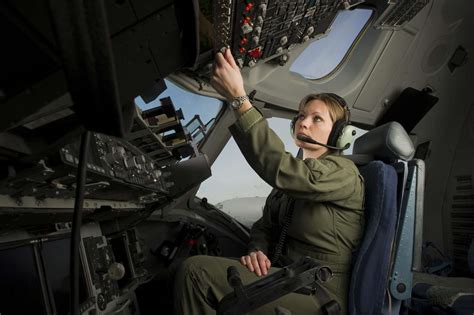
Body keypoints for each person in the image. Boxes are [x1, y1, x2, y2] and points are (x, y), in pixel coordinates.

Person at [173, 49, 365, 314]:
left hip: (321, 292)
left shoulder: (343, 173)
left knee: (196, 273)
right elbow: (265, 226)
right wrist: (258, 250)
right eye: (300, 116)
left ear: (339, 135)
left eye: (316, 118)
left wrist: (240, 100)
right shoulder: (294, 179)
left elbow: (281, 168)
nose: (303, 123)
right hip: (289, 276)